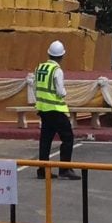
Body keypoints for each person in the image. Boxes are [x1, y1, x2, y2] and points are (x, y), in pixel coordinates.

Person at [34, 40, 81, 180]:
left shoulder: (39, 67)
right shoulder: (57, 70)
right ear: (61, 56)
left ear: (49, 54)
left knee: (45, 140)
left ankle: (42, 170)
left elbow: (35, 87)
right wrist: (65, 92)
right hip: (56, 109)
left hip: (43, 109)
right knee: (68, 138)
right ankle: (64, 169)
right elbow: (60, 92)